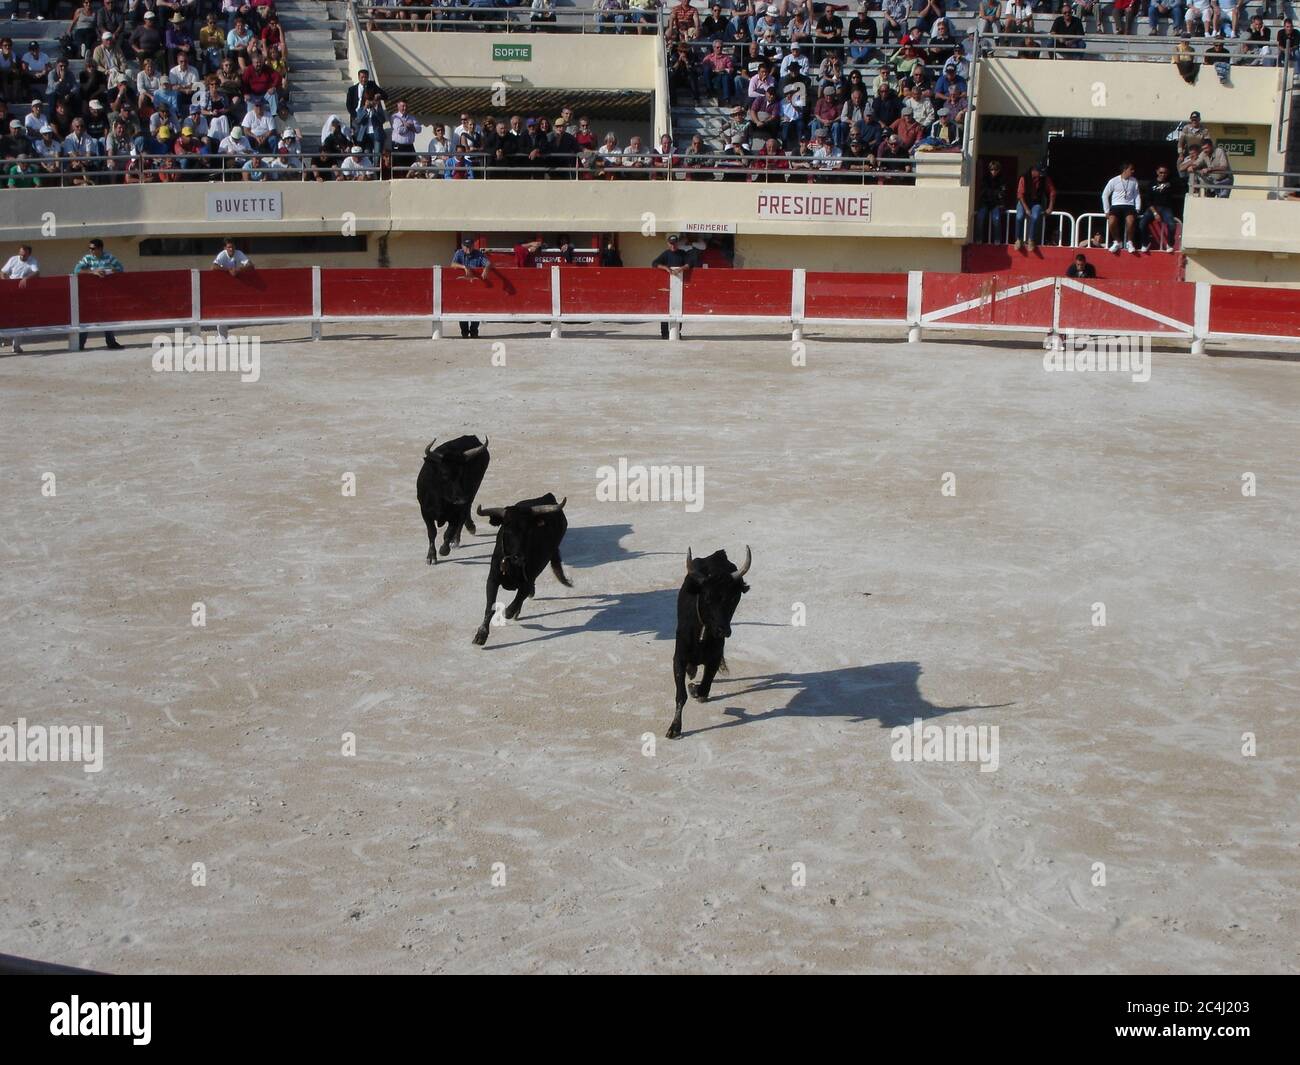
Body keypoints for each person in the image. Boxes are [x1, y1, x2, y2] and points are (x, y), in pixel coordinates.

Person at [73, 238, 125, 350]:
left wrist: (108, 271)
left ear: (100, 248)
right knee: (87, 317)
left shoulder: (109, 257)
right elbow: (76, 270)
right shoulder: (87, 258)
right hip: (91, 293)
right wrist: (93, 272)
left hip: (106, 292)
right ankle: (80, 343)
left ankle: (111, 342)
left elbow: (120, 268)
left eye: (93, 249)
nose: (90, 251)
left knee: (107, 316)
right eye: (89, 248)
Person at [1, 244, 40, 354]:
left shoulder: (32, 261)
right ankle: (8, 338)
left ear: (29, 254)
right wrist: (5, 282)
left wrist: (26, 278)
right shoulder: (13, 259)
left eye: (24, 254)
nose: (22, 256)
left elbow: (36, 272)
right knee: (7, 316)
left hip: (22, 293)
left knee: (19, 318)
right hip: (9, 292)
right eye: (20, 253)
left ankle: (15, 345)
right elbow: (3, 272)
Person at [211, 239, 252, 338]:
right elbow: (213, 267)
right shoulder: (222, 255)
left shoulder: (238, 253)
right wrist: (228, 270)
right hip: (222, 286)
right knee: (222, 309)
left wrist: (238, 269)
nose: (231, 249)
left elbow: (250, 265)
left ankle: (223, 336)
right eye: (229, 247)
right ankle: (222, 336)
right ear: (225, 248)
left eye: (233, 247)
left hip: (235, 286)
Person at [652, 233, 689, 339]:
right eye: (671, 244)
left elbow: (689, 263)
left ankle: (677, 332)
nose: (673, 246)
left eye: (675, 244)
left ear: (677, 243)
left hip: (680, 285)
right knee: (665, 309)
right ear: (668, 244)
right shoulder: (666, 254)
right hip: (666, 286)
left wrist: (680, 269)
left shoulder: (682, 253)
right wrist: (666, 268)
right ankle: (664, 333)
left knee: (678, 309)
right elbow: (654, 263)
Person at [451, 237, 489, 338]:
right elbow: (453, 264)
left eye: (470, 246)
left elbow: (488, 263)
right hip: (462, 287)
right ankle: (464, 332)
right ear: (463, 246)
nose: (468, 248)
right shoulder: (459, 253)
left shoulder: (478, 254)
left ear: (473, 246)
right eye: (466, 246)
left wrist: (485, 269)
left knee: (475, 309)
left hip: (475, 287)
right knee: (462, 310)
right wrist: (464, 267)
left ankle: (474, 332)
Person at [1014, 162, 1055, 252]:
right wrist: (1026, 209)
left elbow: (1052, 192)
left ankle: (1031, 240)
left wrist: (1050, 207)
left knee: (1035, 216)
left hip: (1036, 202)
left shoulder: (1045, 179)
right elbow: (1020, 195)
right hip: (1023, 201)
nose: (1041, 175)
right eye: (1040, 172)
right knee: (1019, 216)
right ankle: (1018, 239)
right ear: (1034, 171)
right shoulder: (1023, 178)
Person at [1101, 162, 1141, 254]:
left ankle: (1129, 242)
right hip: (1116, 205)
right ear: (1124, 170)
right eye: (1131, 169)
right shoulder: (1113, 181)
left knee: (1130, 221)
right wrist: (1106, 210)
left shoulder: (1134, 181)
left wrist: (1137, 208)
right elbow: (1105, 195)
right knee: (1111, 222)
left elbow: (1137, 195)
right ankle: (1117, 242)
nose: (1133, 171)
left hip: (1129, 205)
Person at [1139, 165, 1181, 251]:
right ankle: (1145, 243)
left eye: (1165, 173)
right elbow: (1148, 200)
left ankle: (1170, 244)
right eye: (1161, 172)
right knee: (1142, 224)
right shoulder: (1151, 184)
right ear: (1157, 172)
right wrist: (1155, 213)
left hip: (1166, 208)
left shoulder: (1171, 183)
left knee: (1172, 225)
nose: (1163, 174)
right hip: (1152, 208)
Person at [974, 158, 1007, 244]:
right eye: (992, 169)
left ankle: (997, 239)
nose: (993, 171)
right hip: (985, 202)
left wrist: (998, 197)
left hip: (995, 204)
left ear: (999, 170)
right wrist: (995, 194)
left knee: (996, 219)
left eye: (996, 169)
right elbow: (984, 191)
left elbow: (1002, 193)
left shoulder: (1002, 179)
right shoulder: (985, 178)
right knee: (980, 218)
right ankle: (978, 238)